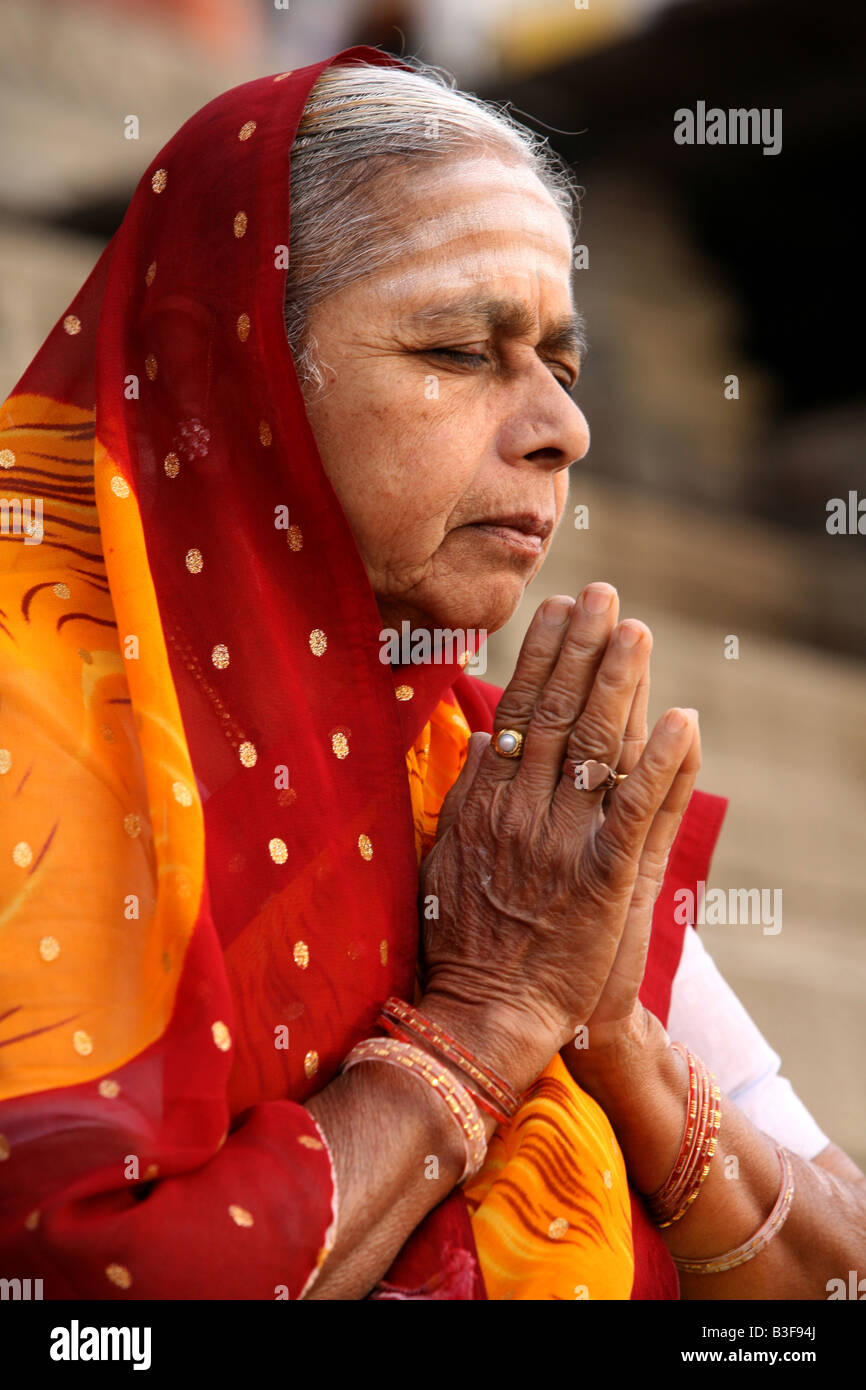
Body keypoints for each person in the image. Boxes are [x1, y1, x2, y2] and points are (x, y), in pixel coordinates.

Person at [0, 45, 863, 1302]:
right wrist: (482, 1029)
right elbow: (89, 1293)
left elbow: (836, 1266)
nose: (561, 428)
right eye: (461, 351)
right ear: (214, 364)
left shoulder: (486, 785)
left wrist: (602, 1028)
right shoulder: (35, 707)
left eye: (560, 367)